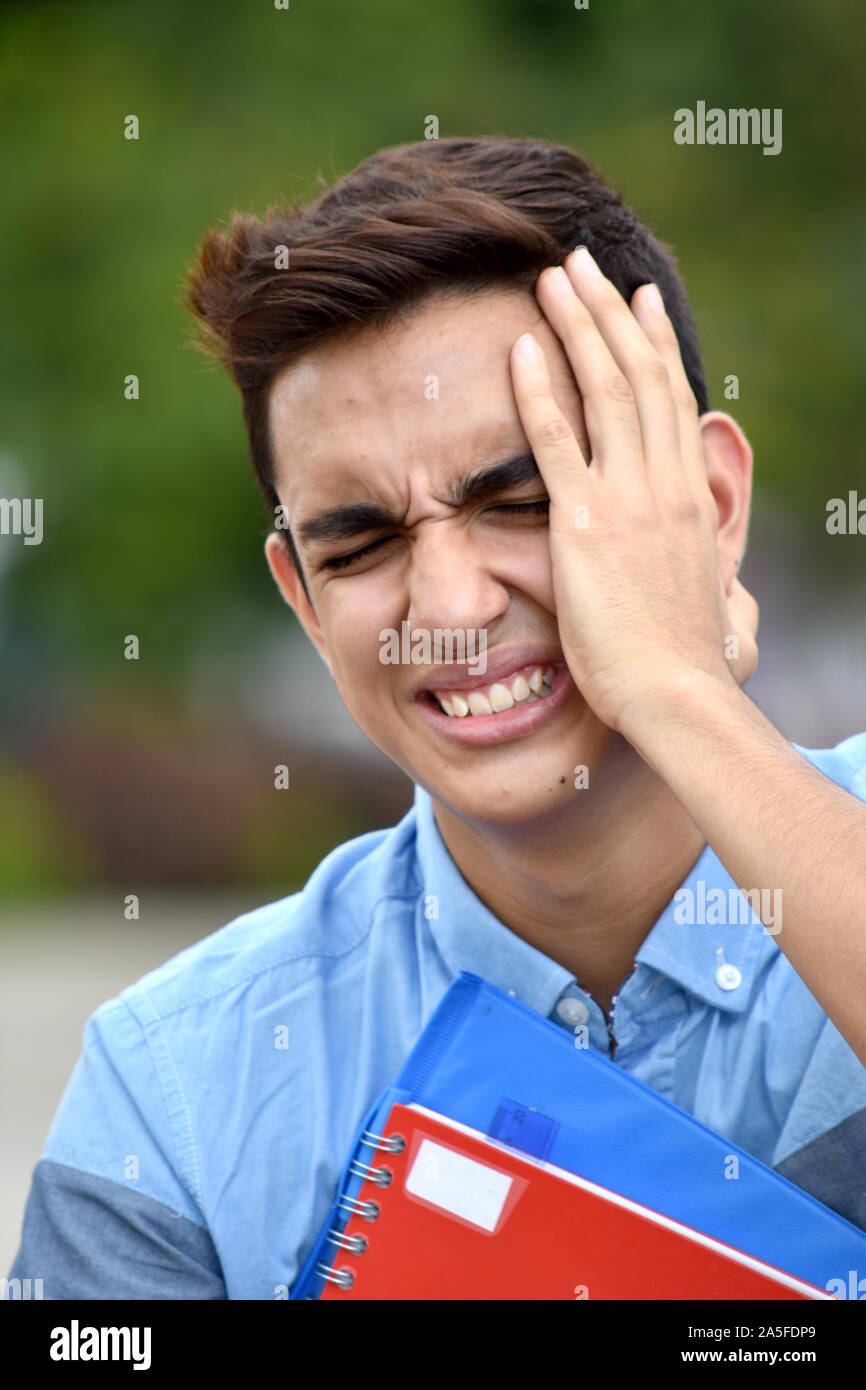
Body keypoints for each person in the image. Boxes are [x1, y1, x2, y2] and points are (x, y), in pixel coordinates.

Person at [7, 137, 866, 1300]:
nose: (448, 607)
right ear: (303, 603)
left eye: (520, 499)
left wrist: (679, 692)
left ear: (706, 506)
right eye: (359, 545)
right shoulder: (175, 1092)